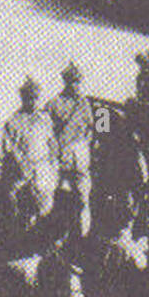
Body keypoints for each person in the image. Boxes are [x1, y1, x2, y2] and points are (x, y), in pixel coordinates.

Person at [1, 78, 59, 222]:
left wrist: (53, 162)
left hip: (42, 168)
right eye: (29, 98)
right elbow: (9, 147)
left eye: (35, 98)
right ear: (23, 99)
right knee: (17, 204)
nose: (32, 102)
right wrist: (22, 164)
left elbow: (52, 142)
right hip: (21, 170)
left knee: (44, 206)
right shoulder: (14, 120)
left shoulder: (45, 119)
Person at [46, 62, 93, 237]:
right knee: (58, 200)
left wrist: (86, 145)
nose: (75, 85)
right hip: (60, 160)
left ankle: (81, 236)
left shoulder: (85, 104)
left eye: (78, 82)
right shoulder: (54, 104)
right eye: (72, 82)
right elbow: (45, 132)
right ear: (65, 82)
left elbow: (95, 128)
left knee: (83, 200)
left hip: (80, 160)